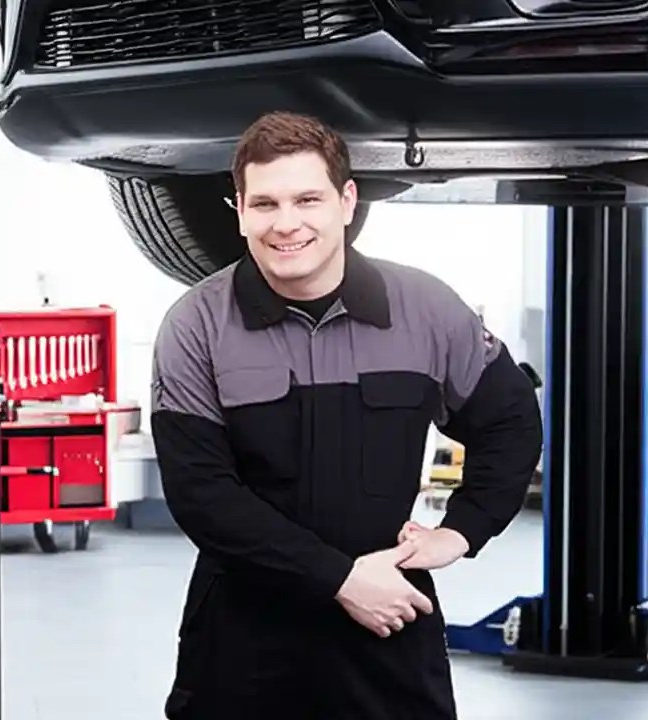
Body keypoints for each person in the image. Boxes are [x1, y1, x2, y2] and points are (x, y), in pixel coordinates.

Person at [149, 111, 544, 719]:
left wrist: (462, 531)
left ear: (347, 200)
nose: (286, 224)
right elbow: (201, 494)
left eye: (307, 199)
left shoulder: (425, 309)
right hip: (242, 640)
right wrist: (339, 579)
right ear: (239, 210)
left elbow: (511, 422)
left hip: (387, 625)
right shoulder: (198, 323)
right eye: (264, 204)